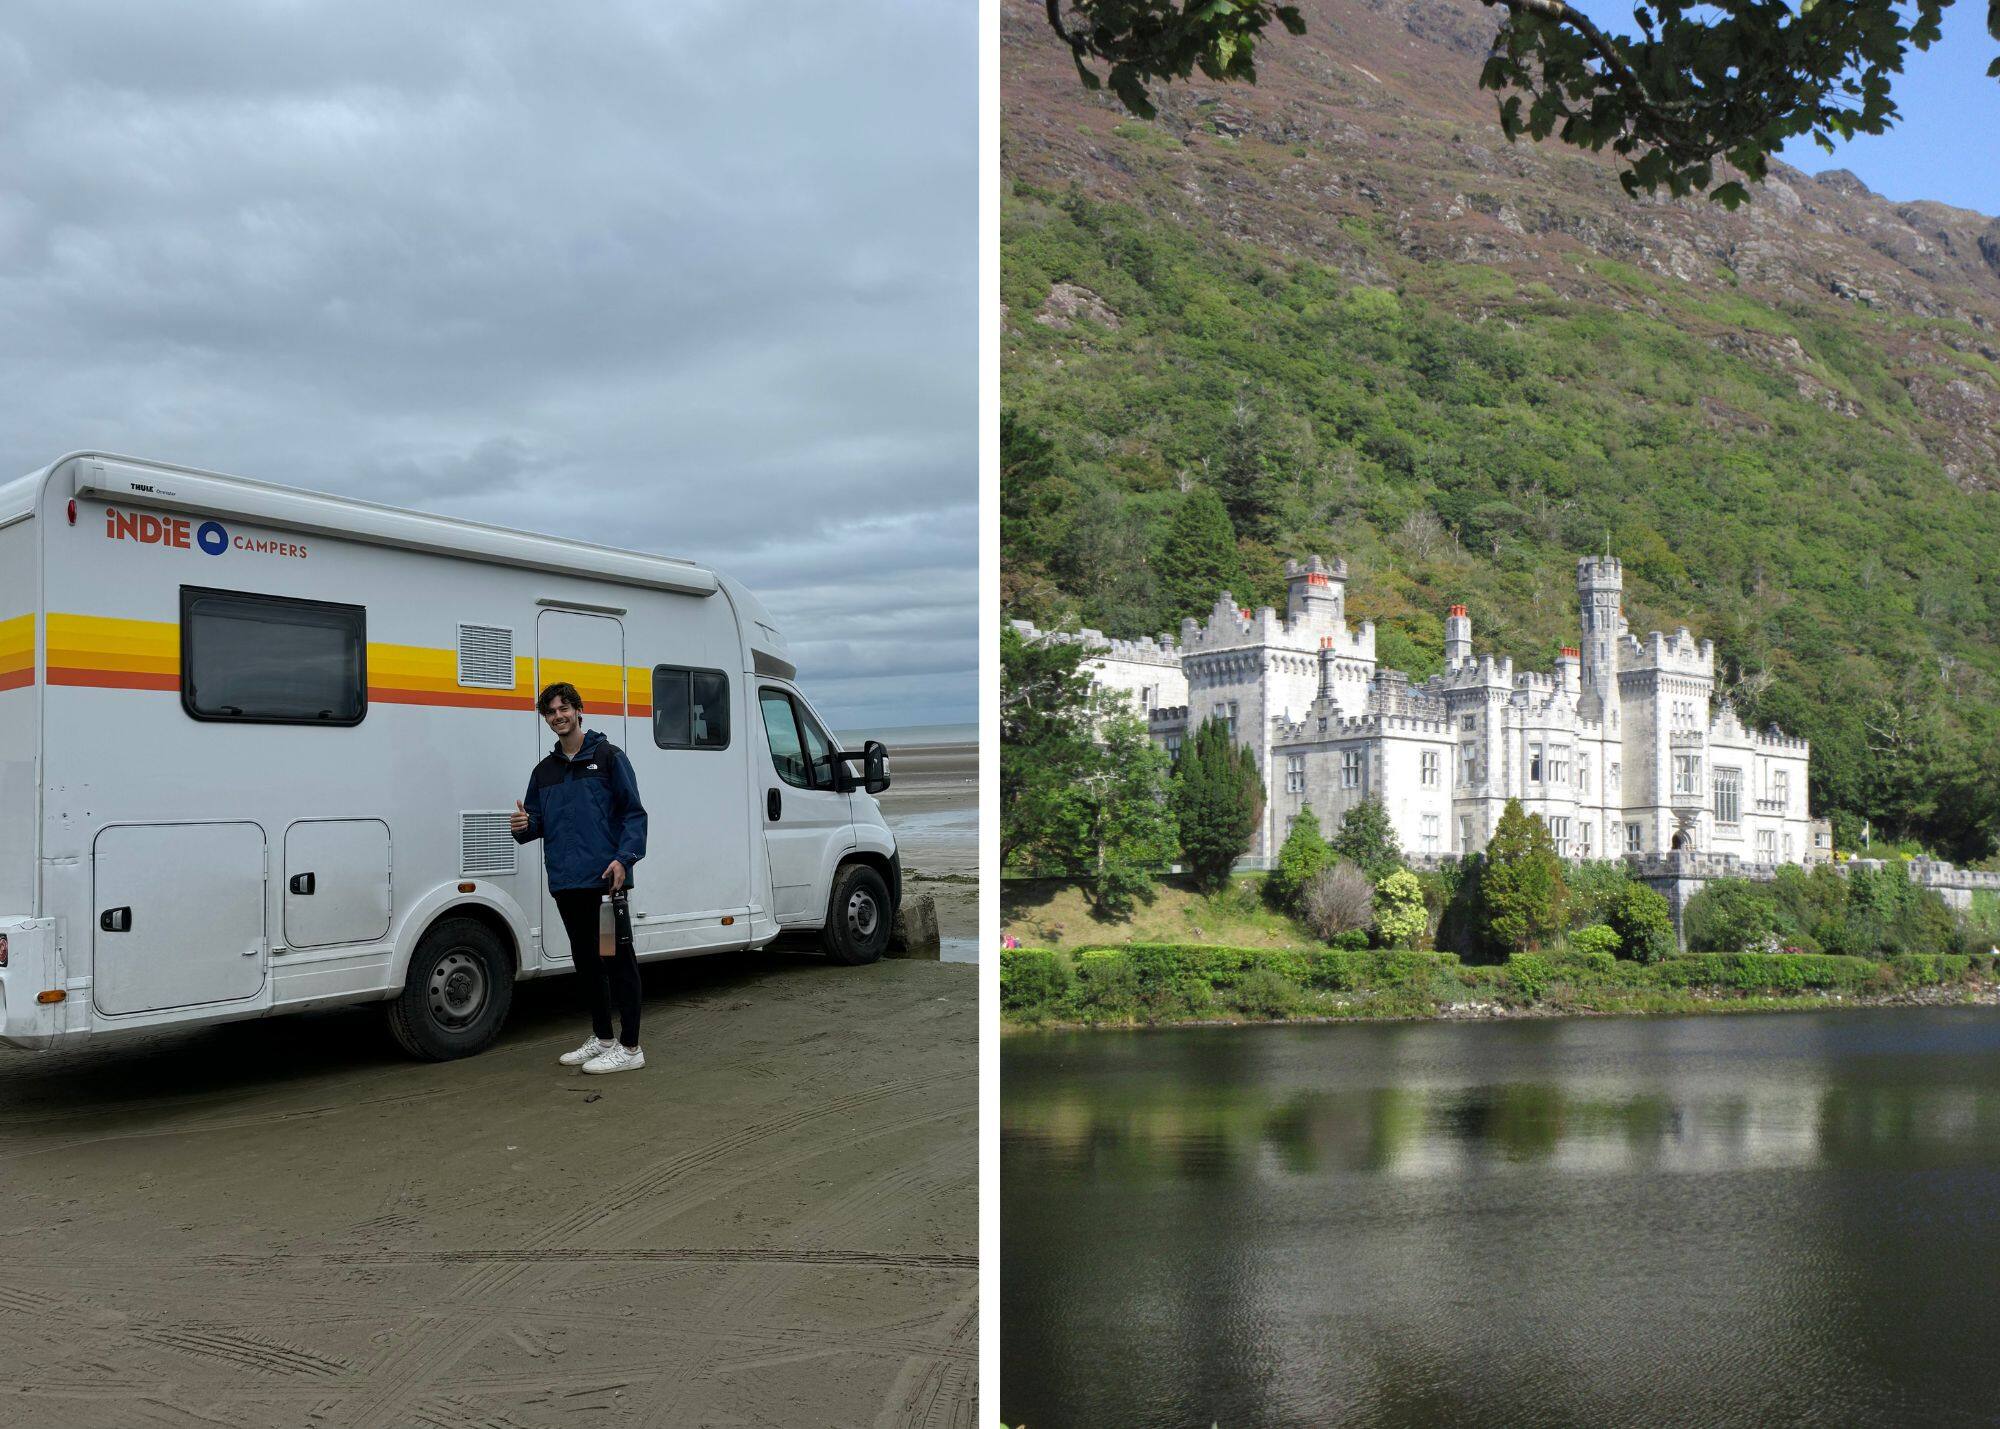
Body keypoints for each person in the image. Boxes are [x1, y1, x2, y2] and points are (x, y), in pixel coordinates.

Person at [511, 681, 649, 1074]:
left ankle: (631, 1047)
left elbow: (634, 814)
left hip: (604, 883)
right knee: (587, 963)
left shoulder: (608, 758)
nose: (558, 716)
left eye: (564, 708)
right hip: (567, 883)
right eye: (551, 712)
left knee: (616, 960)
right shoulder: (544, 772)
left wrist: (624, 859)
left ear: (578, 710)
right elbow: (536, 823)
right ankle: (603, 1037)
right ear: (546, 718)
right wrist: (522, 826)